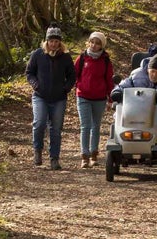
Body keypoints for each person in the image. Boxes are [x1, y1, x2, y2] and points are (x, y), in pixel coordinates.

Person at [25, 26, 76, 170]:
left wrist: (66, 88)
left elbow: (72, 76)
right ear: (46, 42)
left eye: (56, 41)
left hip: (59, 98)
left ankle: (54, 158)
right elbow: (29, 73)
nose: (53, 44)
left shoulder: (65, 57)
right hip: (40, 96)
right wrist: (35, 85)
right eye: (51, 41)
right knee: (39, 123)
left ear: (60, 43)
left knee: (56, 129)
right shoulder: (37, 54)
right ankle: (37, 151)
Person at [110, 54, 157, 143]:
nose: (154, 75)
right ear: (147, 70)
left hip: (155, 113)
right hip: (133, 108)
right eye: (152, 71)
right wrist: (117, 92)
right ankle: (117, 140)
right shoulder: (136, 75)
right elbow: (124, 84)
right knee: (118, 111)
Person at [74, 31, 114, 169]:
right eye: (92, 42)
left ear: (102, 45)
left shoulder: (106, 61)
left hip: (99, 98)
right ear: (88, 42)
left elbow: (109, 81)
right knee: (85, 126)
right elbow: (74, 75)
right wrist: (75, 88)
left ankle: (94, 154)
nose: (94, 45)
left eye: (97, 43)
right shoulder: (82, 58)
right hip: (83, 96)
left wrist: (110, 99)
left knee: (96, 126)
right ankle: (84, 156)